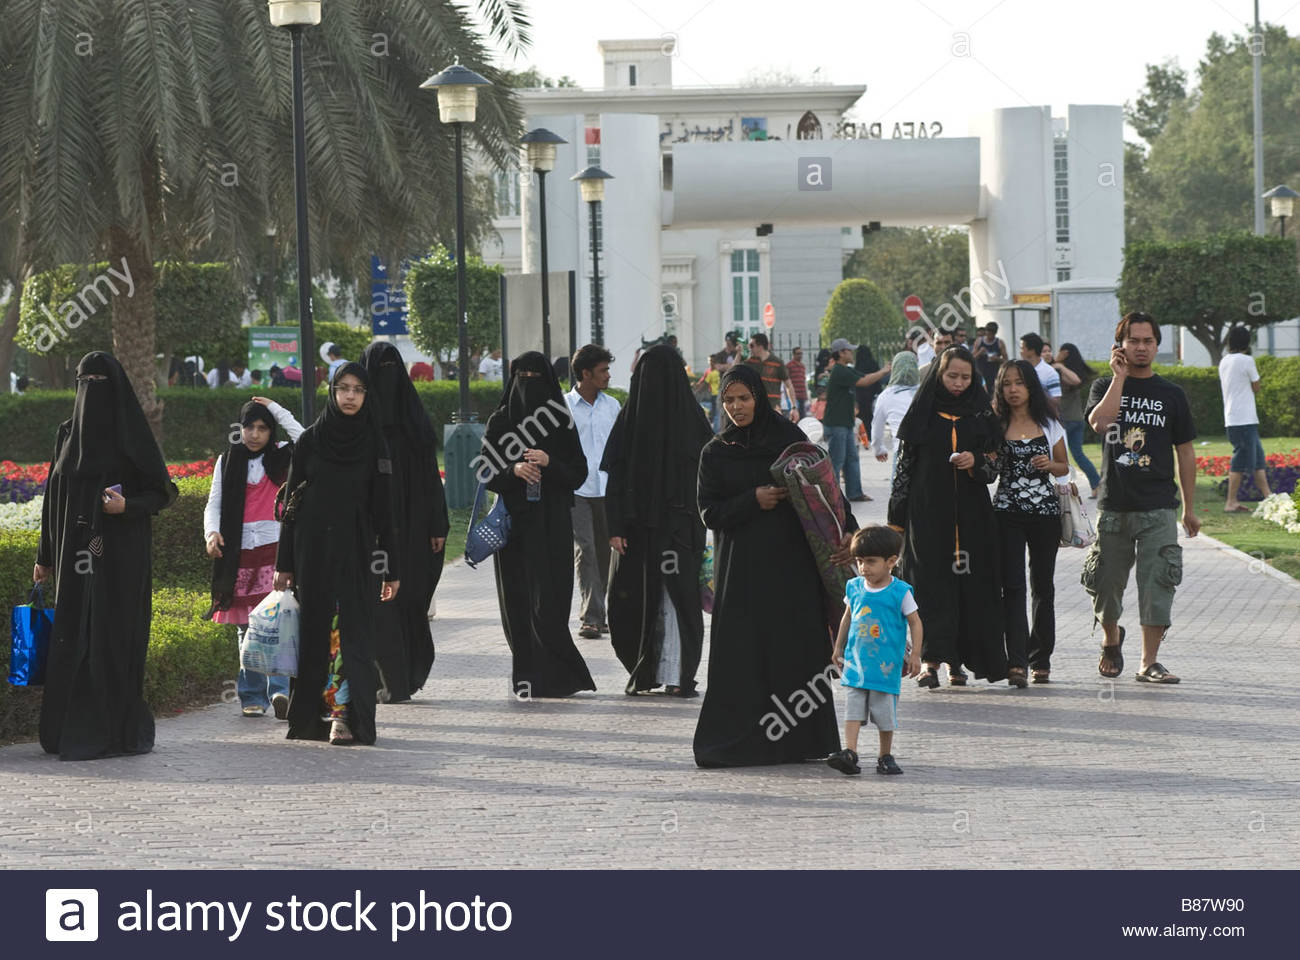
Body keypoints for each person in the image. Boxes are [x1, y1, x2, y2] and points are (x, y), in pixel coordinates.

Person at [693, 364, 849, 768]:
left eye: (743, 398)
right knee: (742, 655)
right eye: (728, 400)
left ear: (759, 398)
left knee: (794, 651)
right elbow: (709, 512)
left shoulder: (787, 440)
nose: (736, 407)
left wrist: (848, 529)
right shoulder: (716, 452)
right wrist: (752, 500)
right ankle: (740, 743)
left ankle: (802, 741)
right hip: (741, 573)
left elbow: (824, 485)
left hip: (791, 570)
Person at [32, 352, 178, 760]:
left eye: (99, 381)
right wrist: (44, 555)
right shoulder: (66, 434)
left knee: (113, 636)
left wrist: (126, 506)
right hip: (71, 558)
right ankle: (65, 729)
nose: (90, 390)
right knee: (73, 634)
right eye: (84, 381)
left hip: (119, 559)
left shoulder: (130, 434)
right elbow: (52, 497)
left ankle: (114, 730)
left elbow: (163, 492)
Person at [273, 363, 401, 745]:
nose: (349, 396)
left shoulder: (375, 442)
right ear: (331, 392)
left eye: (358, 389)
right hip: (313, 553)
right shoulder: (311, 440)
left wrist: (391, 567)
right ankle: (314, 717)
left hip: (358, 554)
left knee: (352, 637)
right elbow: (291, 505)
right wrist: (285, 563)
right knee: (316, 635)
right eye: (343, 388)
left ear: (366, 395)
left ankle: (346, 717)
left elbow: (386, 510)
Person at [1085, 312, 1198, 684]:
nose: (1141, 347)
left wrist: (1190, 508)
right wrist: (1119, 378)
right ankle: (1111, 638)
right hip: (1115, 505)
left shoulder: (1172, 394)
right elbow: (1101, 424)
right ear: (1120, 345)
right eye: (1134, 341)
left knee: (1158, 583)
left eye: (1148, 341)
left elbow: (1185, 451)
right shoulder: (1104, 385)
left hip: (1158, 506)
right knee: (1104, 582)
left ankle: (1148, 661)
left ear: (1157, 346)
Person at [889, 347, 1006, 688]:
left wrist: (977, 462)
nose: (958, 383)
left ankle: (959, 663)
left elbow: (996, 464)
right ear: (938, 376)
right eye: (951, 376)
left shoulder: (981, 415)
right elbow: (903, 472)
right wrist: (896, 524)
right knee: (928, 585)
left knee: (969, 587)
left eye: (965, 377)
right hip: (926, 517)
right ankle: (929, 661)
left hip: (972, 520)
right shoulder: (922, 414)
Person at [482, 352, 596, 698]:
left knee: (550, 602)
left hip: (552, 525)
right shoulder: (500, 421)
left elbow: (578, 472)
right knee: (518, 601)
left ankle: (559, 676)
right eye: (522, 374)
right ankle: (527, 677)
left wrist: (550, 462)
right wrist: (513, 470)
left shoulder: (561, 421)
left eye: (535, 375)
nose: (527, 382)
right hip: (515, 529)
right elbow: (486, 472)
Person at [603, 344, 713, 696]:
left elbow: (710, 474)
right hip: (639, 531)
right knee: (635, 600)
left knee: (679, 601)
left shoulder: (691, 420)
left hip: (679, 531)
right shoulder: (631, 420)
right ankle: (645, 670)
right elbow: (616, 478)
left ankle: (680, 675)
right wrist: (616, 527)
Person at [203, 396, 305, 717]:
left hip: (276, 553)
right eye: (249, 427)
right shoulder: (227, 460)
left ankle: (280, 692)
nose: (255, 434)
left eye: (263, 428)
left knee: (278, 624)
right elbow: (214, 504)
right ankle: (251, 696)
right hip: (239, 557)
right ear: (241, 428)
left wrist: (278, 410)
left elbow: (307, 439)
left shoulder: (284, 456)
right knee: (247, 628)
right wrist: (211, 533)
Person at [361, 342, 449, 703]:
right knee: (378, 602)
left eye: (391, 367)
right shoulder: (358, 426)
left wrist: (437, 526)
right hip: (371, 530)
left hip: (413, 527)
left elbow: (430, 478)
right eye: (378, 369)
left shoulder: (414, 424)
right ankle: (387, 680)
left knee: (411, 597)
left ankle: (410, 672)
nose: (387, 378)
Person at [991, 360, 1069, 686]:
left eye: (1019, 383)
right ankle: (1016, 662)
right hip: (1006, 514)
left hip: (1045, 514)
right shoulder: (994, 424)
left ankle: (1041, 659)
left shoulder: (1049, 423)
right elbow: (988, 468)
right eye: (1007, 383)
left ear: (1030, 386)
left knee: (1043, 587)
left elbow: (1064, 466)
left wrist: (1050, 464)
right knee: (1012, 588)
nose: (1013, 389)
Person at [827, 525, 921, 776]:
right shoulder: (855, 588)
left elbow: (915, 622)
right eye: (859, 561)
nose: (863, 568)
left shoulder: (899, 592)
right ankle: (850, 752)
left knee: (884, 713)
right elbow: (847, 618)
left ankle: (885, 755)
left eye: (870, 562)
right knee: (853, 709)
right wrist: (838, 646)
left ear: (891, 561)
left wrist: (915, 655)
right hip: (856, 665)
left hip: (885, 667)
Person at [564, 344, 620, 639]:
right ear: (585, 374)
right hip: (577, 491)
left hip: (607, 489)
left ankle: (599, 612)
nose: (608, 375)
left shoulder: (613, 407)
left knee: (604, 552)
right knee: (584, 549)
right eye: (603, 370)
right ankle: (592, 617)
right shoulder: (563, 407)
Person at [821, 337, 890, 503]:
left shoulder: (846, 369)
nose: (852, 353)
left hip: (844, 424)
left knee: (851, 459)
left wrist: (882, 372)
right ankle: (833, 497)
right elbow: (865, 381)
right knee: (837, 462)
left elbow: (865, 376)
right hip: (836, 424)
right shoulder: (840, 371)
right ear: (841, 353)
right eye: (849, 350)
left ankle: (854, 493)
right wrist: (884, 371)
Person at [1219, 325, 1271, 512]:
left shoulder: (1224, 361)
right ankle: (1230, 502)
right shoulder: (1247, 360)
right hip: (1244, 419)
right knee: (1240, 460)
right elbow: (1256, 386)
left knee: (1258, 460)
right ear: (1247, 343)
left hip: (1234, 418)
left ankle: (1269, 499)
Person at [1054, 342, 1101, 496]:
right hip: (1076, 419)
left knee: (1060, 457)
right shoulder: (1073, 370)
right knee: (1078, 455)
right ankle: (1097, 486)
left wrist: (1059, 365)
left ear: (1065, 353)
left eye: (1060, 351)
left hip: (1066, 420)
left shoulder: (1061, 371)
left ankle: (1064, 489)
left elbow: (1075, 381)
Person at [870, 352, 920, 470]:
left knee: (899, 487)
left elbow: (876, 430)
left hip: (903, 453)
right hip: (927, 453)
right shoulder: (925, 392)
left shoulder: (886, 396)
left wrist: (879, 449)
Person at [744, 333, 797, 417]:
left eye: (751, 345)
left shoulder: (777, 363)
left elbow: (789, 385)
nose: (749, 348)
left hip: (773, 408)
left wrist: (794, 407)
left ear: (760, 346)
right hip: (754, 408)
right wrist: (739, 354)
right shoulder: (750, 362)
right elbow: (733, 372)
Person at [853, 343, 883, 441]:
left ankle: (862, 435)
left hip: (861, 395)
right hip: (871, 394)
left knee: (862, 416)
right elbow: (878, 379)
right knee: (871, 416)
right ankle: (870, 435)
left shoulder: (858, 364)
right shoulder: (873, 363)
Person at [1019, 332, 1061, 400]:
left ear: (1031, 351)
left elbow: (1056, 402)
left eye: (1022, 348)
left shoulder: (1050, 373)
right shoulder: (1017, 369)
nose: (1020, 352)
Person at [971, 321, 1007, 389]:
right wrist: (979, 352)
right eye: (988, 331)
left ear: (995, 332)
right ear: (986, 331)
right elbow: (971, 358)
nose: (990, 334)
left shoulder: (999, 343)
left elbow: (1006, 360)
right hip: (980, 374)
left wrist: (997, 359)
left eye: (992, 332)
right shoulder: (979, 341)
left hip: (994, 375)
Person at [787, 346, 810, 419]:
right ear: (793, 355)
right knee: (795, 418)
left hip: (802, 396)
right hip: (794, 397)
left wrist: (806, 395)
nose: (800, 355)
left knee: (803, 418)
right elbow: (786, 382)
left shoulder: (802, 366)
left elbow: (804, 381)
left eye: (801, 353)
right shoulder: (789, 365)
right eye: (798, 353)